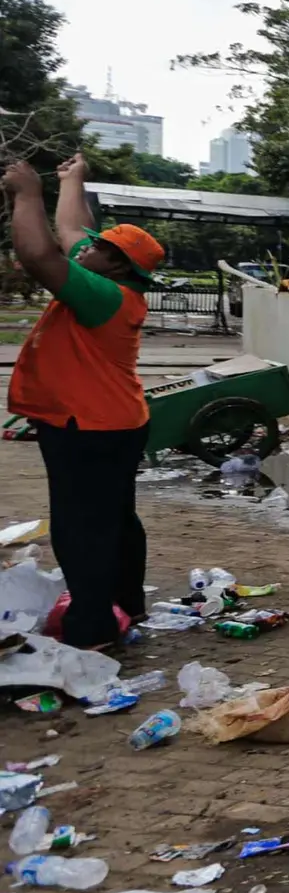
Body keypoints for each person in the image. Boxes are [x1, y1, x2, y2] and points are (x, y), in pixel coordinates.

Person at [3, 153, 166, 647]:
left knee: (80, 528)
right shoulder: (108, 277)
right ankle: (126, 603)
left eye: (98, 247)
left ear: (116, 263)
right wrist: (72, 179)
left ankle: (92, 628)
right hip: (113, 421)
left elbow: (39, 255)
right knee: (113, 518)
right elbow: (73, 228)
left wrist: (28, 194)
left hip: (87, 426)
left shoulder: (103, 295)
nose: (85, 247)